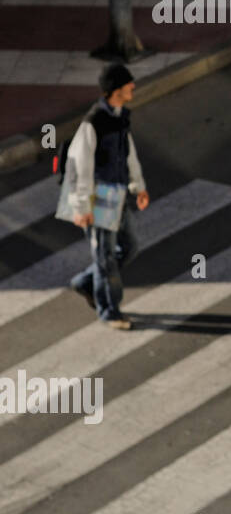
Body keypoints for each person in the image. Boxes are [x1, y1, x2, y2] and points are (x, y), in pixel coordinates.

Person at [67, 63, 150, 330]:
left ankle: (84, 283)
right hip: (99, 197)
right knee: (106, 259)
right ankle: (109, 311)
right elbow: (80, 167)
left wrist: (138, 186)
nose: (133, 87)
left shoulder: (120, 115)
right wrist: (82, 207)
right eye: (128, 84)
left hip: (119, 192)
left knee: (129, 248)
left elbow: (128, 152)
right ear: (115, 90)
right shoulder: (93, 123)